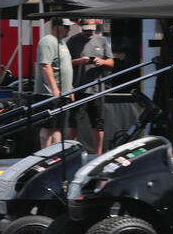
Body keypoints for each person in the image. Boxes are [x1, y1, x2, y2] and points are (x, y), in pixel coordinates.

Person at [66, 20, 116, 154]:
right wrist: (78, 62)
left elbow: (111, 62)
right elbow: (64, 62)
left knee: (98, 123)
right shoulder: (72, 40)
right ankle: (71, 152)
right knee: (74, 122)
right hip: (78, 88)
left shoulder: (102, 40)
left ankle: (98, 153)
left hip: (97, 89)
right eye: (86, 29)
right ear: (80, 27)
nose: (88, 32)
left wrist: (102, 61)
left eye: (91, 29)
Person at [34, 18, 74, 147]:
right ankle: (44, 158)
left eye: (69, 27)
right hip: (48, 94)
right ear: (57, 26)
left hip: (62, 93)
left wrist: (70, 88)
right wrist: (54, 89)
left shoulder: (62, 43)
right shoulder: (47, 41)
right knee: (47, 128)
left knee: (58, 128)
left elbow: (64, 66)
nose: (69, 29)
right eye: (66, 26)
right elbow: (45, 65)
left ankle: (56, 158)